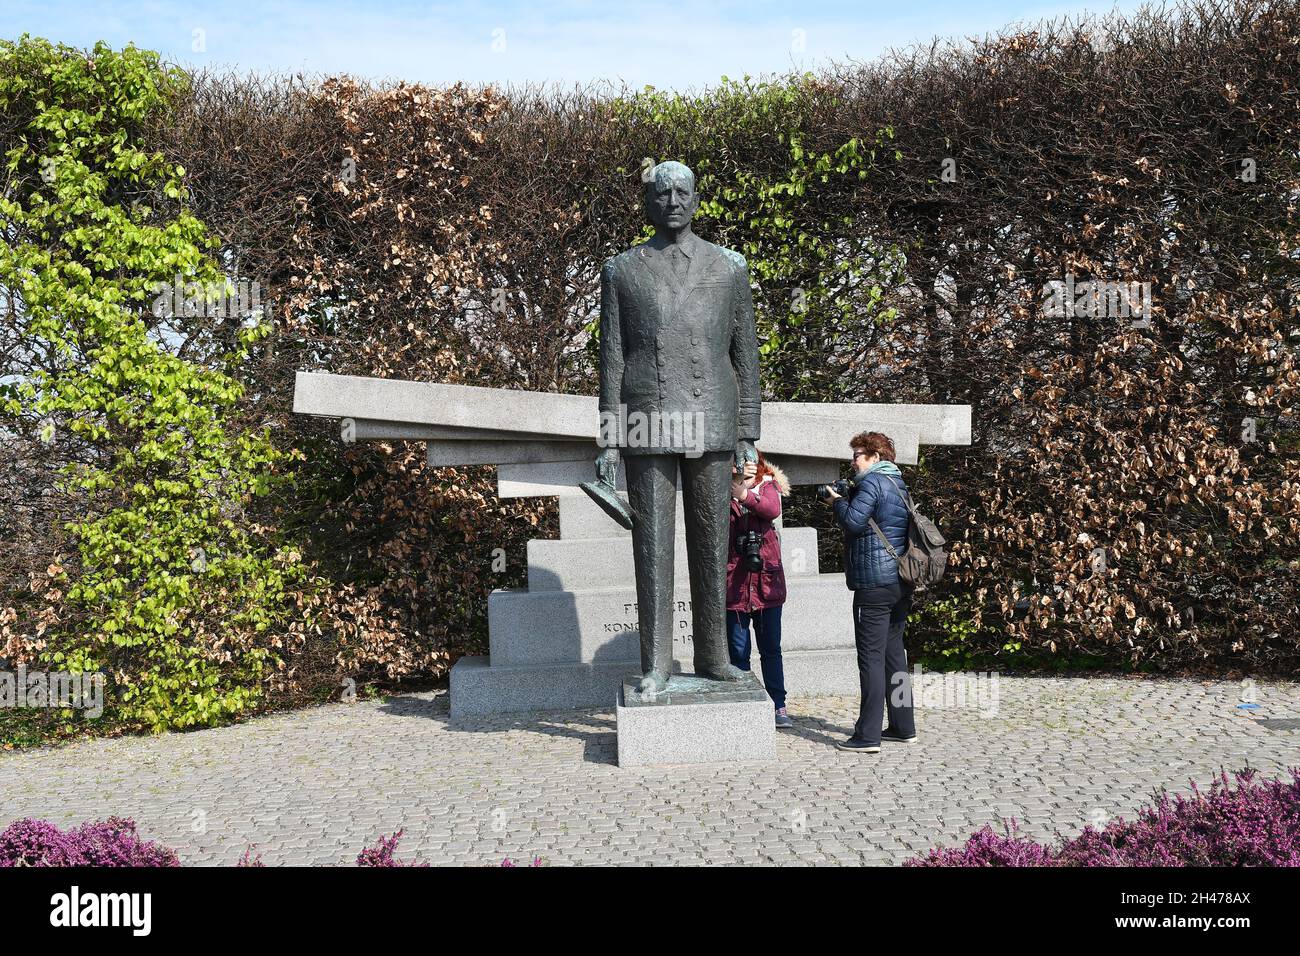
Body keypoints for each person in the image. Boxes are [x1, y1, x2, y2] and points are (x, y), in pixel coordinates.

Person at [823, 431, 918, 753]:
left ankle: (867, 736)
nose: (853, 461)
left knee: (872, 660)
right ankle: (904, 727)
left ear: (875, 457)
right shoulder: (897, 484)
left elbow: (853, 522)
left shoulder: (871, 483)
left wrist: (837, 502)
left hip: (874, 584)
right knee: (895, 657)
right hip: (900, 581)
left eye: (858, 455)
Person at [726, 451, 792, 728]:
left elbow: (771, 510)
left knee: (771, 651)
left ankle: (778, 705)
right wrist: (732, 491)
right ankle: (746, 703)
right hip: (735, 587)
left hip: (766, 586)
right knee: (738, 652)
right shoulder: (723, 492)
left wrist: (745, 495)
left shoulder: (769, 487)